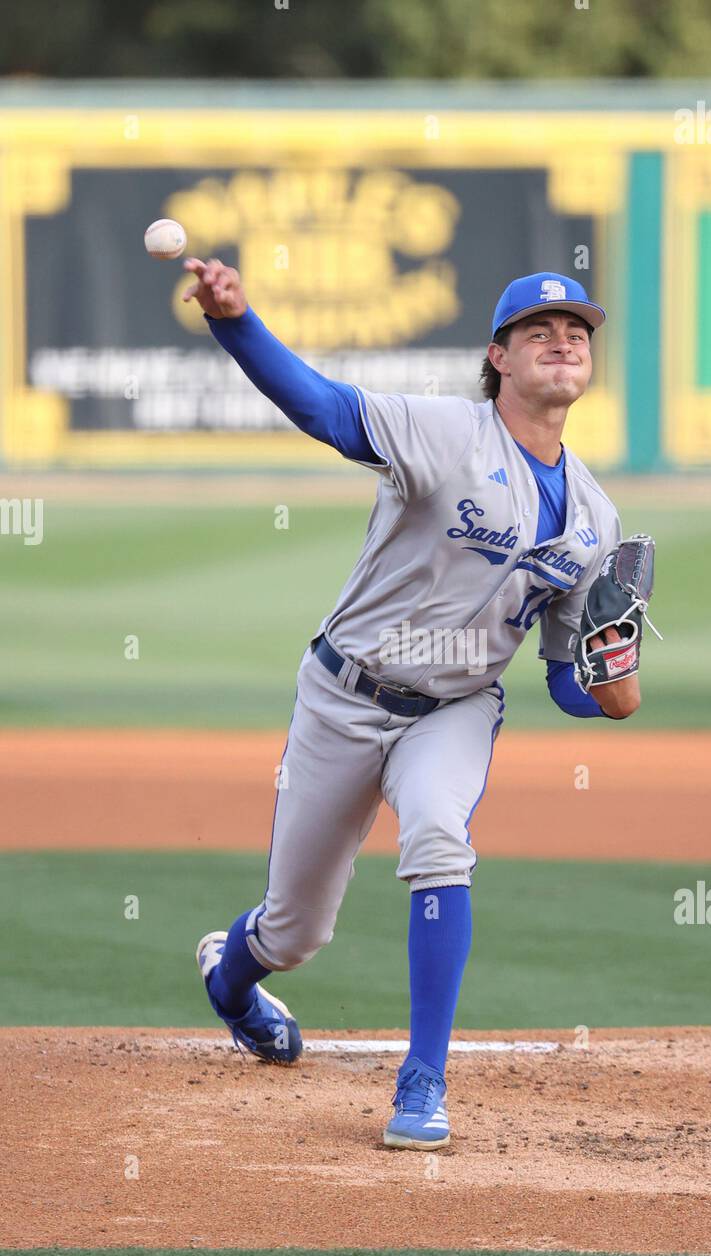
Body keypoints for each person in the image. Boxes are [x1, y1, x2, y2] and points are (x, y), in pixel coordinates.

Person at [186, 261, 645, 1149]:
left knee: (440, 836)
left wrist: (608, 693)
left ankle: (422, 1080)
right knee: (294, 928)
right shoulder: (442, 432)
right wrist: (234, 321)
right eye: (539, 330)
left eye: (577, 332)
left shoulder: (595, 518)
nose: (562, 341)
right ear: (498, 357)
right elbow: (322, 408)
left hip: (457, 707)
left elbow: (559, 677)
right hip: (344, 696)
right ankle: (231, 982)